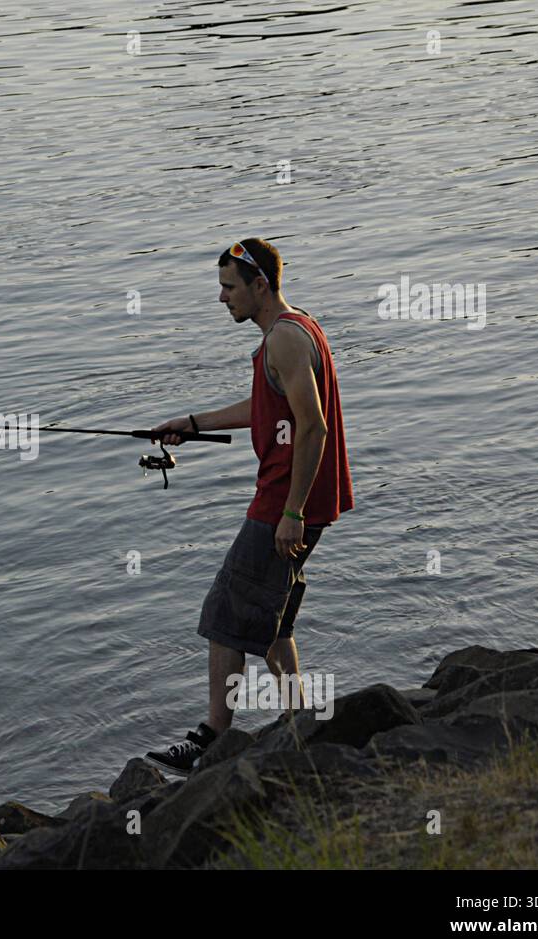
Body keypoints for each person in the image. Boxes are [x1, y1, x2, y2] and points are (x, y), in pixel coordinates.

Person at [145, 239, 354, 776]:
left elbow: (313, 426)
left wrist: (292, 513)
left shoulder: (283, 339)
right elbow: (268, 405)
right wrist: (193, 423)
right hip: (301, 499)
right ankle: (301, 722)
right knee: (272, 621)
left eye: (229, 287)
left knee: (223, 615)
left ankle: (213, 736)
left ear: (260, 285)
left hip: (284, 502)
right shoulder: (297, 327)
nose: (222, 298)